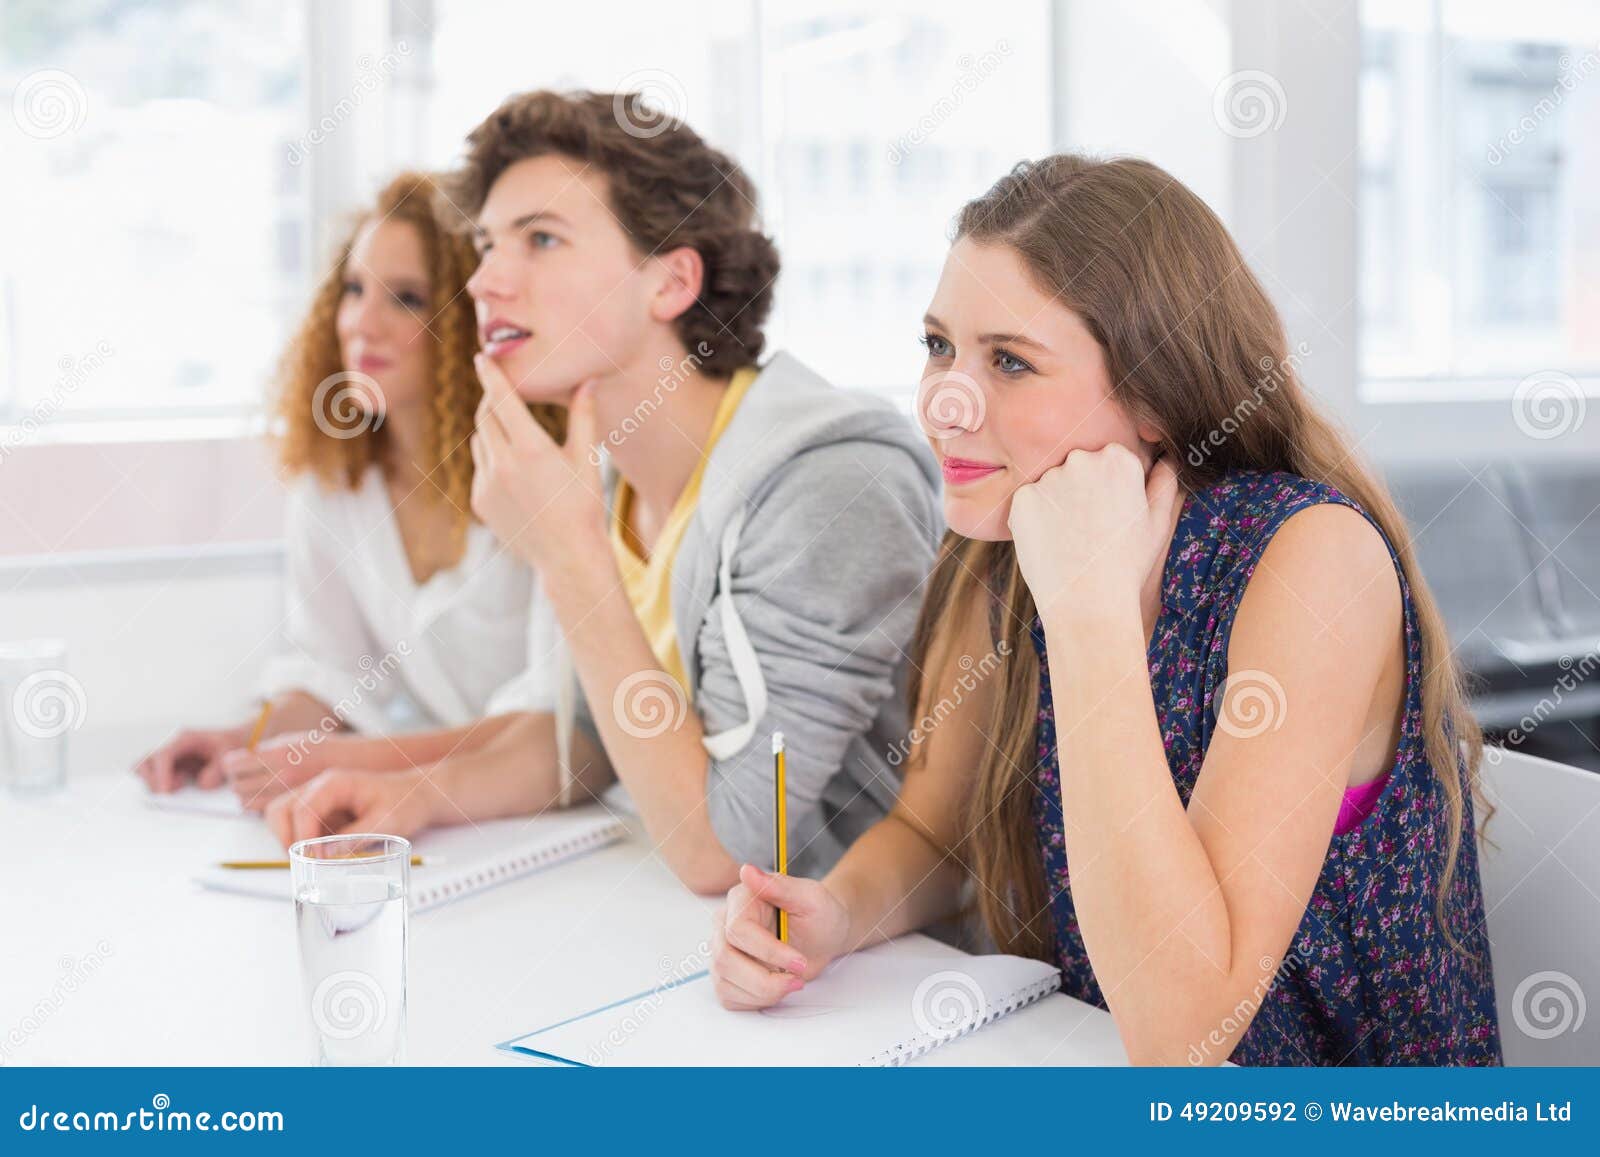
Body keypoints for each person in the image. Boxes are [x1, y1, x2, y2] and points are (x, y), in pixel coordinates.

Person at [709, 154, 1502, 1065]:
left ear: (1154, 399)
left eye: (1010, 361)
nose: (944, 402)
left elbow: (1183, 1032)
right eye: (938, 346)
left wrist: (1089, 613)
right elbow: (938, 831)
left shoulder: (1311, 559)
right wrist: (835, 913)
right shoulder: (1007, 542)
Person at [264, 91, 942, 895]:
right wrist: (411, 796)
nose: (483, 281)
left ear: (670, 283)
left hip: (899, 973)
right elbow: (587, 740)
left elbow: (728, 849)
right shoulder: (614, 473)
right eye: (485, 245)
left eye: (540, 239)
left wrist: (567, 549)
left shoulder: (825, 482)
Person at [135, 171, 565, 805]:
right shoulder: (334, 481)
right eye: (354, 289)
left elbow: (562, 726)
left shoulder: (539, 473)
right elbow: (328, 671)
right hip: (448, 817)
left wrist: (362, 763)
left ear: (474, 316)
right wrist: (247, 742)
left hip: (563, 819)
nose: (363, 322)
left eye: (408, 299)